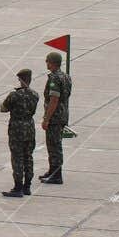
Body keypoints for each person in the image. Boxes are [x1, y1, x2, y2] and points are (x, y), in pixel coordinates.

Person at [0, 67, 40, 197]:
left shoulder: (14, 95)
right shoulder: (35, 95)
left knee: (17, 157)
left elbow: (4, 108)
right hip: (29, 127)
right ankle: (27, 186)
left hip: (17, 128)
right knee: (28, 156)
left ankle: (18, 187)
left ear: (21, 79)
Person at [39, 50, 72, 185]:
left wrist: (46, 118)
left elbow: (54, 99)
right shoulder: (66, 76)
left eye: (47, 61)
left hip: (55, 116)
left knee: (54, 145)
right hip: (63, 114)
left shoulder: (54, 78)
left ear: (52, 63)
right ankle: (52, 170)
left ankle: (56, 175)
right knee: (54, 144)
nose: (46, 63)